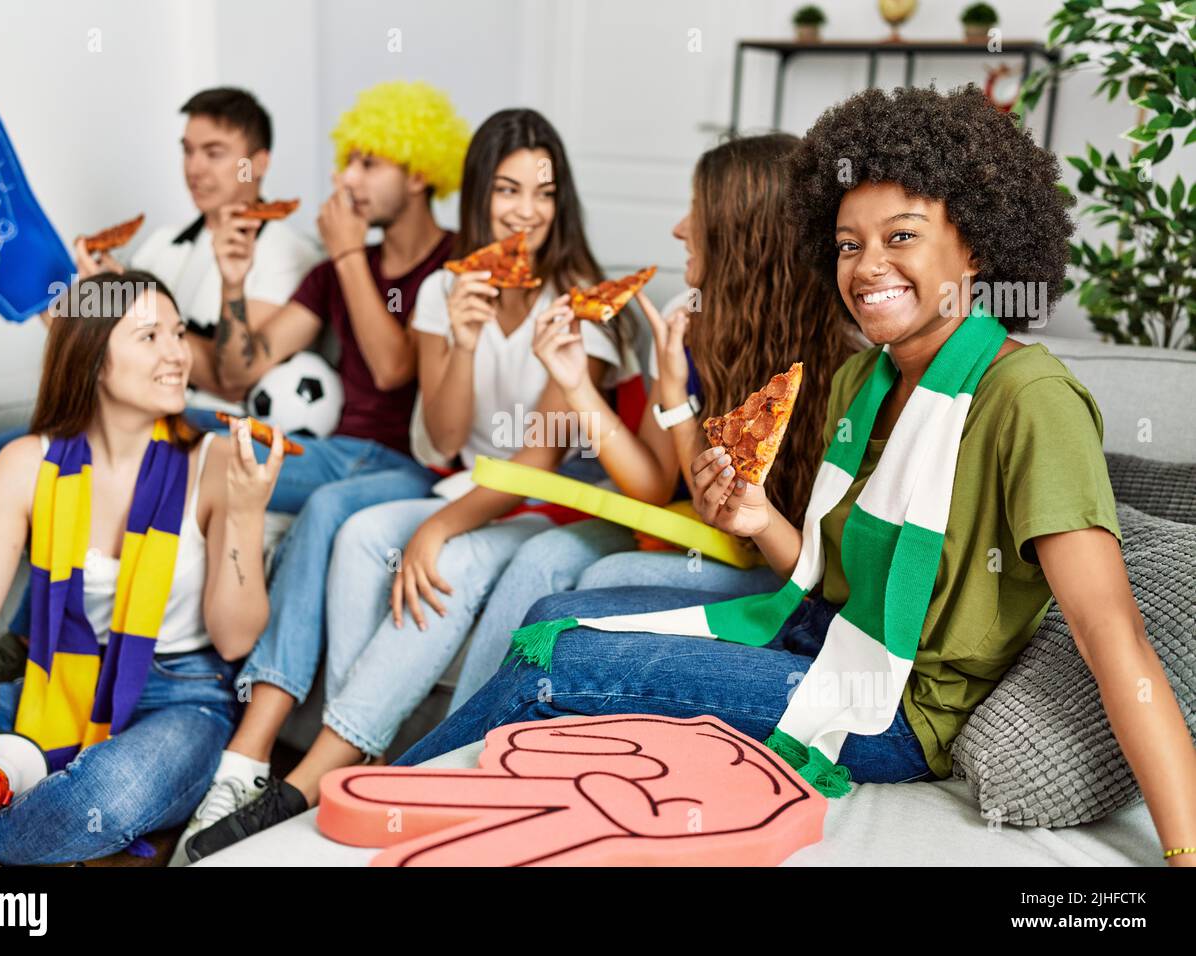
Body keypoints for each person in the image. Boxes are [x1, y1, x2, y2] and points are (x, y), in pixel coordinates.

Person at [394, 86, 1196, 866]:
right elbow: (832, 582)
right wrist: (756, 520)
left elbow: (1111, 635)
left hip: (896, 710)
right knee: (555, 610)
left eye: (902, 236)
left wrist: (1185, 849)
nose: (868, 266)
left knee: (553, 664)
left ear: (976, 245)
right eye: (850, 244)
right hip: (822, 636)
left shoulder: (1029, 398)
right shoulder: (864, 381)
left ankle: (377, 806)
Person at [185, 108, 623, 861]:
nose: (528, 211)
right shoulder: (447, 287)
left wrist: (436, 527)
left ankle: (323, 772)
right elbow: (448, 440)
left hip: (554, 500)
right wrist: (460, 340)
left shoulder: (581, 298)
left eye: (546, 193)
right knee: (356, 534)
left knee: (448, 558)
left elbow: (540, 465)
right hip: (470, 482)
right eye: (510, 191)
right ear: (481, 195)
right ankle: (368, 760)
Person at [449, 133, 859, 712]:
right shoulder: (683, 325)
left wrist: (674, 398)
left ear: (743, 235)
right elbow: (651, 482)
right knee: (542, 558)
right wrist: (575, 383)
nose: (678, 228)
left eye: (697, 211)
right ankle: (465, 741)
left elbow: (772, 537)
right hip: (692, 528)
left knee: (603, 578)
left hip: (781, 570)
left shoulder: (845, 367)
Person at [167, 80, 471, 860]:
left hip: (411, 466)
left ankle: (250, 754)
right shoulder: (338, 269)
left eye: (371, 162)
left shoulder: (457, 261)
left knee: (333, 507)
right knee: (188, 432)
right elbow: (244, 368)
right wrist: (235, 283)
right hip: (333, 448)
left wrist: (345, 255)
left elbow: (396, 368)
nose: (349, 179)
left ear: (420, 170)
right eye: (349, 160)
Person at [0, 87, 319, 645]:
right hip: (125, 410)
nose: (194, 167)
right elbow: (98, 351)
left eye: (214, 152)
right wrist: (50, 293)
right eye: (187, 150)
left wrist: (157, 310)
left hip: (200, 422)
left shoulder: (285, 252)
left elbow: (230, 375)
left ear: (258, 162)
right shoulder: (166, 244)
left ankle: (22, 648)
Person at [0, 272, 284, 866]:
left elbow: (235, 637)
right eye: (150, 336)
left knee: (100, 795)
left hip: (184, 695)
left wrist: (248, 513)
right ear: (94, 359)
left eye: (178, 334)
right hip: (56, 682)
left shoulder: (213, 463)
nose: (178, 353)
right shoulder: (26, 465)